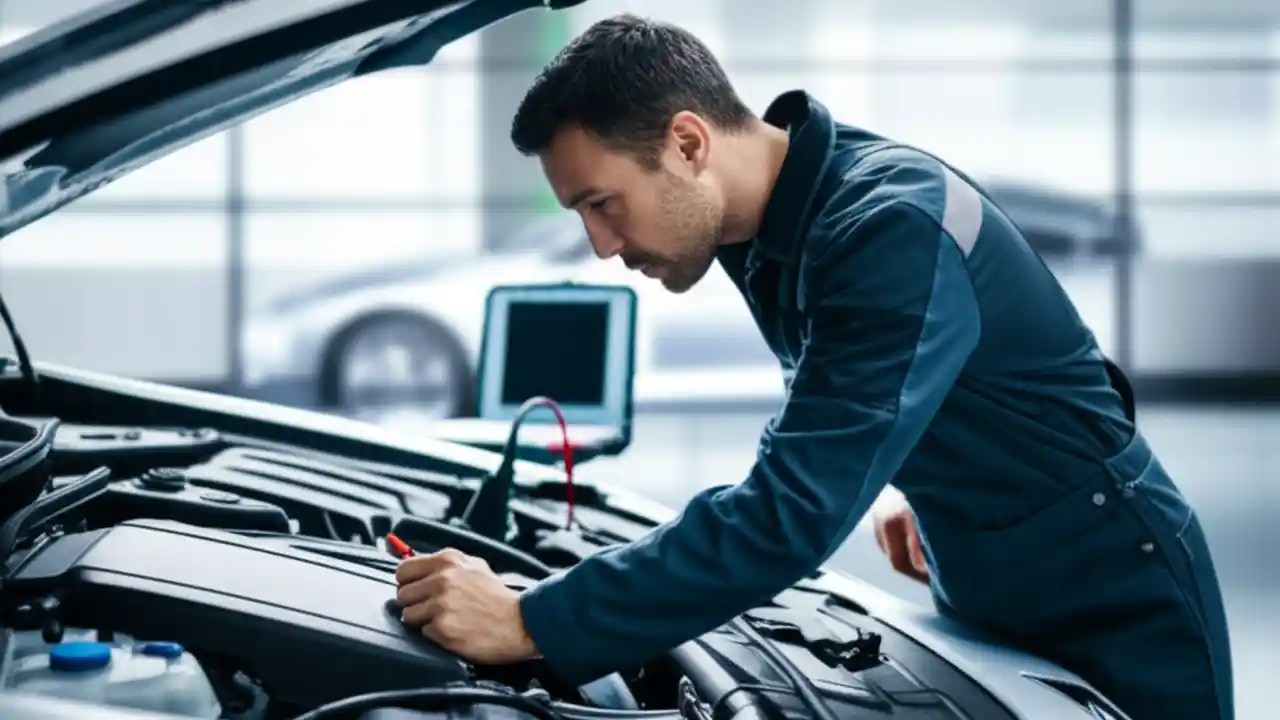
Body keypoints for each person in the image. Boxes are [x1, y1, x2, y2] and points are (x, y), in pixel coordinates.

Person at [393, 14, 1233, 720]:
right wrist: (920, 464)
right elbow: (1006, 367)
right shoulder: (769, 226)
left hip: (1113, 605)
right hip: (987, 586)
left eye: (602, 203)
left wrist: (533, 621)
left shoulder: (887, 225)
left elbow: (789, 512)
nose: (601, 246)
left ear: (687, 142)